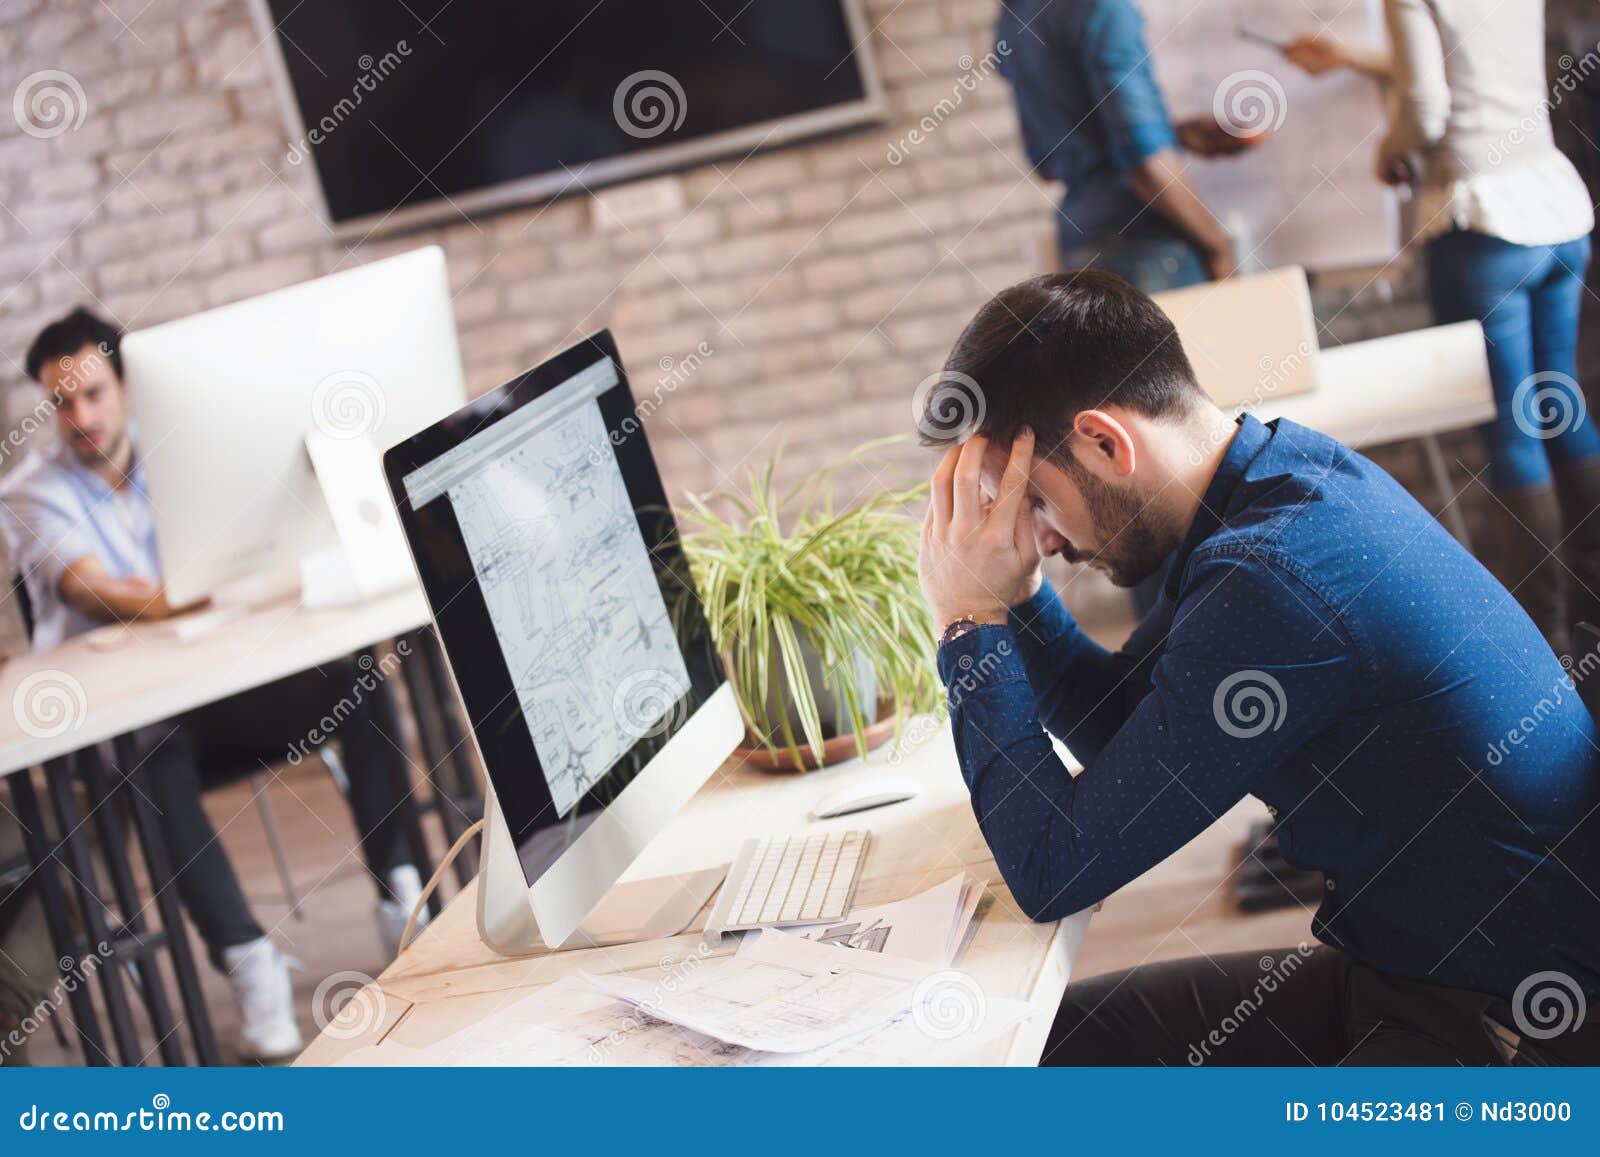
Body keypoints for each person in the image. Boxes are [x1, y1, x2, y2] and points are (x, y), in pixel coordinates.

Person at [915, 272, 1600, 1064]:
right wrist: (1021, 594)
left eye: (1032, 502)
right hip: (1415, 973)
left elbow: (1052, 867)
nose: (1046, 537)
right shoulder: (1275, 482)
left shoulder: (1274, 578)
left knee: (1019, 1073)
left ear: (1106, 442)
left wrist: (970, 621)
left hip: (1500, 1036)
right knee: (1027, 1050)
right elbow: (1125, 734)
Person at [0, 308, 432, 1062]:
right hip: (122, 729)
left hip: (220, 694)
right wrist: (216, 582)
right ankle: (247, 960)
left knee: (360, 678)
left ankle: (405, 895)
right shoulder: (33, 493)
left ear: (129, 386)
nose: (81, 417)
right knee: (147, 748)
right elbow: (100, 592)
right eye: (61, 402)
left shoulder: (189, 453)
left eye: (94, 393)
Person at [1288, 3, 1600, 671]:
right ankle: (1592, 608)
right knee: (1560, 405)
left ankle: (1550, 644)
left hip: (1484, 220)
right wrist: (1347, 56)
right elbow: (1475, 59)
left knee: (1513, 436)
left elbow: (1427, 107)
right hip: (1555, 208)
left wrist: (1392, 146)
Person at [995, 0, 1262, 294]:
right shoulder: (1104, 8)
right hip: (1150, 250)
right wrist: (1218, 247)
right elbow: (1143, 163)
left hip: (1083, 247)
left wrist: (1173, 134)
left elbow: (1046, 163)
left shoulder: (1014, 19)